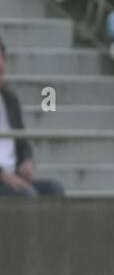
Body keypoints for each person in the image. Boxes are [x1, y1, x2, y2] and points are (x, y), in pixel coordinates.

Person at [0, 39, 64, 197]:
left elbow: (22, 142)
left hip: (15, 174)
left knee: (54, 189)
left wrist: (27, 161)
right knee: (28, 195)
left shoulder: (10, 100)